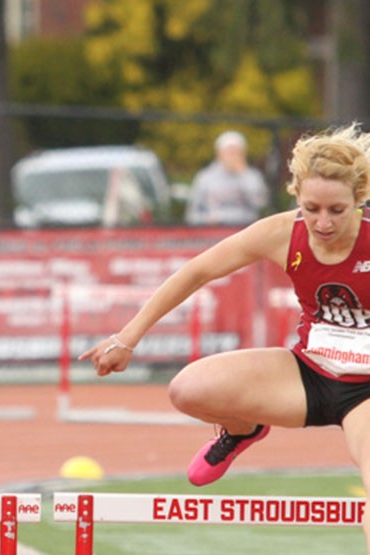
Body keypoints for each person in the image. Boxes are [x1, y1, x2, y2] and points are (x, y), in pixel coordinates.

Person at [81, 123, 370, 551]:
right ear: (295, 197)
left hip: (365, 391)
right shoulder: (280, 233)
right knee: (188, 389)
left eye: (337, 210)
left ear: (359, 201)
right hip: (309, 372)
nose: (322, 223)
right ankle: (244, 429)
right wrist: (127, 339)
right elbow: (198, 270)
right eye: (311, 208)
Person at [185, 129, 269, 226]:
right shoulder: (205, 177)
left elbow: (261, 206)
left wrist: (242, 174)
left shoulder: (253, 177)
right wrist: (207, 220)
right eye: (228, 152)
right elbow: (192, 214)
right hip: (212, 231)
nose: (232, 156)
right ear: (219, 153)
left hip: (245, 229)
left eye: (235, 152)